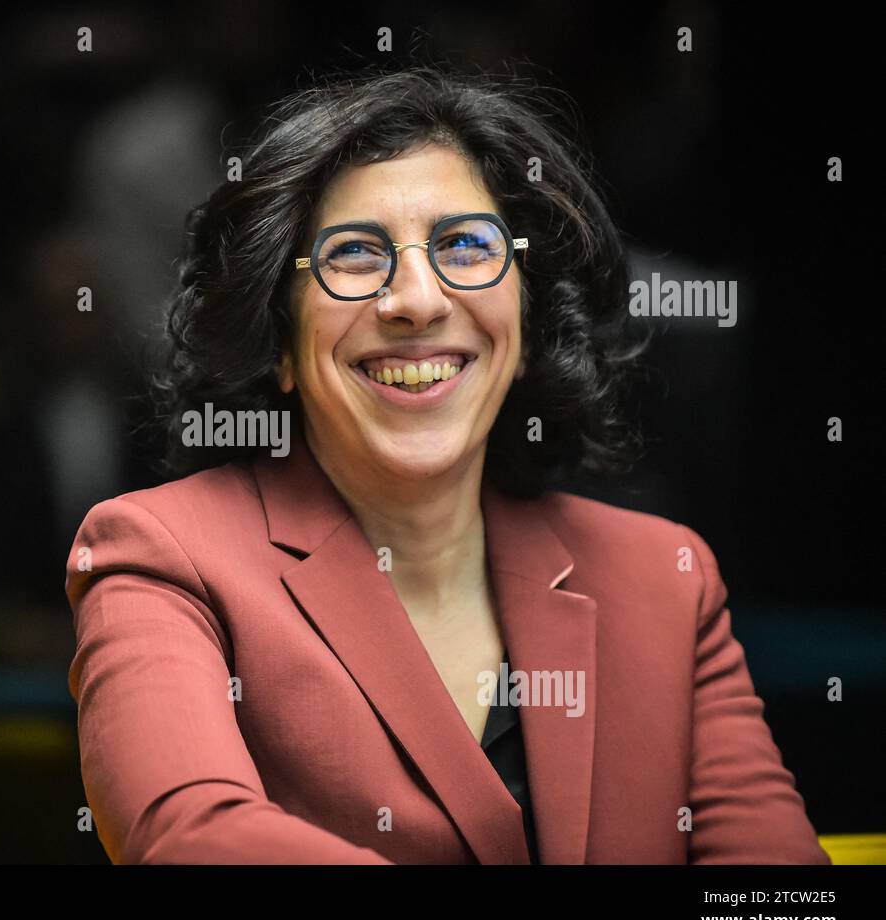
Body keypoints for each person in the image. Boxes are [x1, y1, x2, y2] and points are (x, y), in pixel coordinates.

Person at [63, 64, 829, 864]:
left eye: (465, 245)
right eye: (355, 254)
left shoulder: (665, 576)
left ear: (527, 325)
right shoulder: (158, 554)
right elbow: (191, 839)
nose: (418, 299)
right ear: (278, 343)